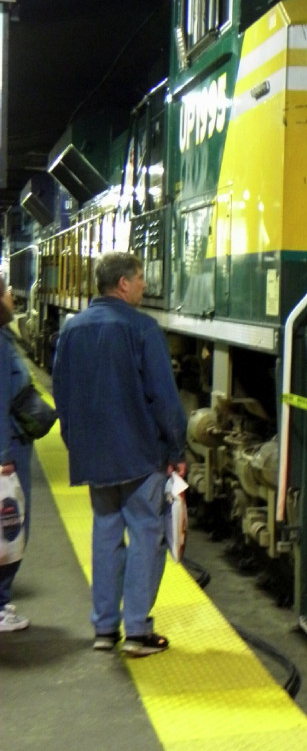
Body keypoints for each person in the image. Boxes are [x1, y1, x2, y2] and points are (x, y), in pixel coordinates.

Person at [52, 251, 187, 656]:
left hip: (96, 456)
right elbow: (164, 398)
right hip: (140, 455)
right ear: (124, 284)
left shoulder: (72, 330)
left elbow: (62, 395)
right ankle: (139, 632)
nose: (146, 284)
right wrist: (177, 448)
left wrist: (78, 443)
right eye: (141, 277)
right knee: (146, 534)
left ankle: (105, 630)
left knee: (106, 534)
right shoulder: (143, 329)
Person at [0, 275, 33, 632]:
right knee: (10, 525)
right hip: (8, 449)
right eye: (8, 292)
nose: (12, 297)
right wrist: (4, 455)